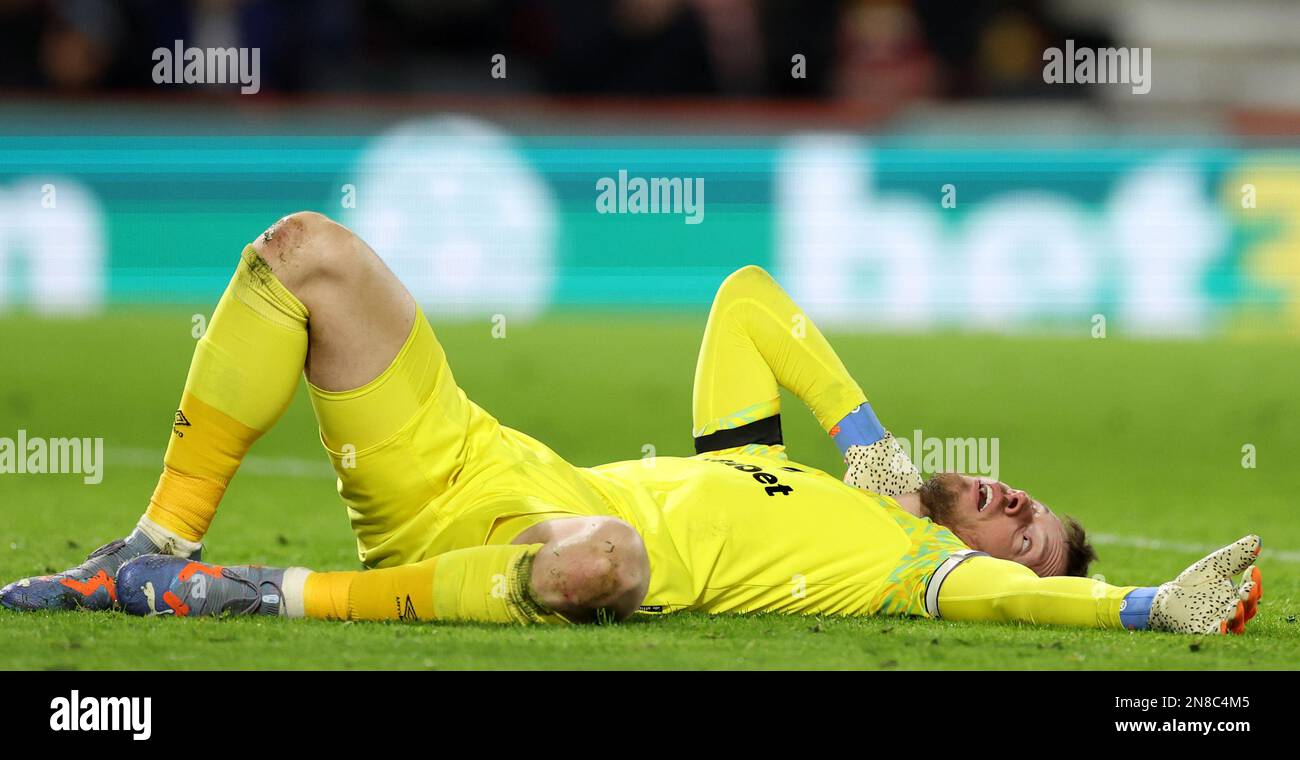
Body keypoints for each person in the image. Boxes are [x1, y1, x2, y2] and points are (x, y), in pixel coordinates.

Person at [1, 213, 1262, 634]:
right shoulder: (767, 467)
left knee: (609, 562)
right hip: (461, 461)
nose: (1025, 515)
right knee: (306, 255)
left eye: (1033, 539)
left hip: (543, 543)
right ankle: (153, 549)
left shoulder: (915, 572)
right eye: (1034, 506)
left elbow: (1029, 602)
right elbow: (746, 300)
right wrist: (866, 436)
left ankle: (254, 593)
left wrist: (1142, 604)